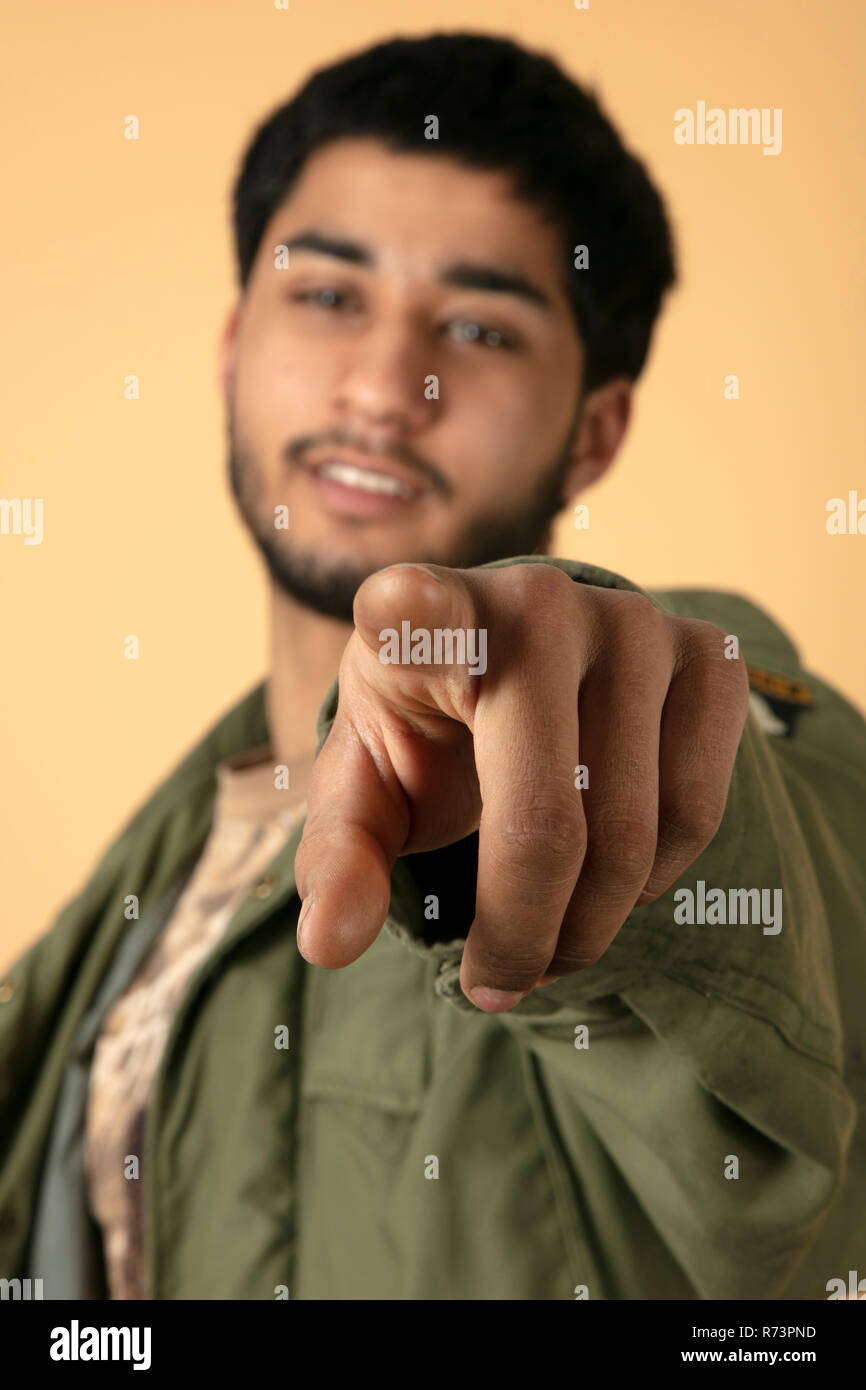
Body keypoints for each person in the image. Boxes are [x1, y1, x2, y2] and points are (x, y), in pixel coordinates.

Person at [1, 30, 864, 1303]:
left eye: (477, 325)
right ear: (235, 346)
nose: (383, 384)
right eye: (329, 294)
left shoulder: (689, 692)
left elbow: (792, 898)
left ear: (594, 433)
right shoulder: (150, 868)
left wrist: (596, 775)